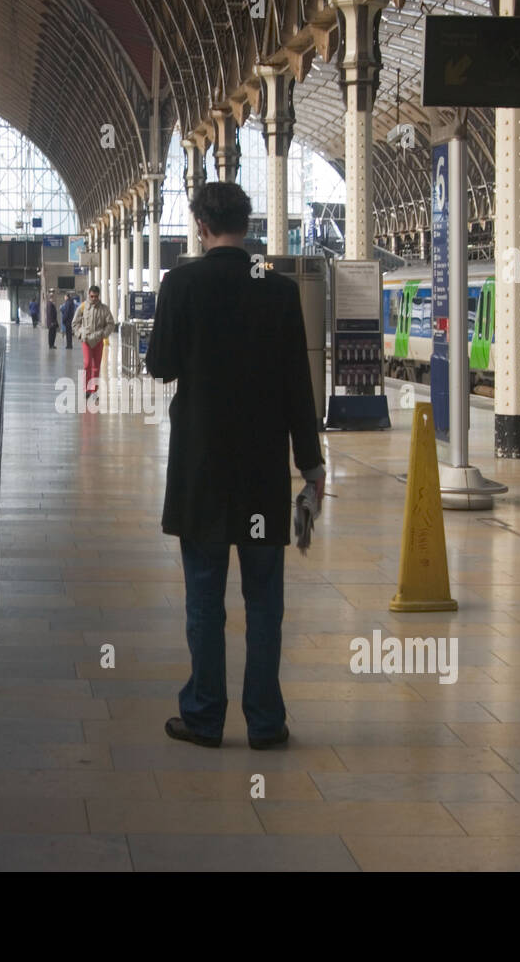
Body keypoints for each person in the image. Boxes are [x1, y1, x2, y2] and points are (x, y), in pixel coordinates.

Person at [144, 182, 325, 751]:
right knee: (264, 599)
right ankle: (265, 722)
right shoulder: (276, 290)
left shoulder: (183, 283)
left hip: (202, 471)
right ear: (247, 226)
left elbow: (160, 366)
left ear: (200, 225)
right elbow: (299, 383)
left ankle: (204, 715)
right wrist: (311, 464)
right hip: (262, 475)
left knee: (205, 595)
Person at [70, 285, 115, 398]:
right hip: (86, 340)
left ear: (98, 296)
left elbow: (111, 324)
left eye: (96, 296)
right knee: (87, 364)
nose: (93, 298)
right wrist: (80, 334)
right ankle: (87, 388)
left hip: (98, 340)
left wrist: (103, 335)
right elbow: (75, 323)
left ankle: (93, 389)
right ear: (88, 295)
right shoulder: (82, 307)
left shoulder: (104, 309)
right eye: (91, 296)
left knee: (96, 367)